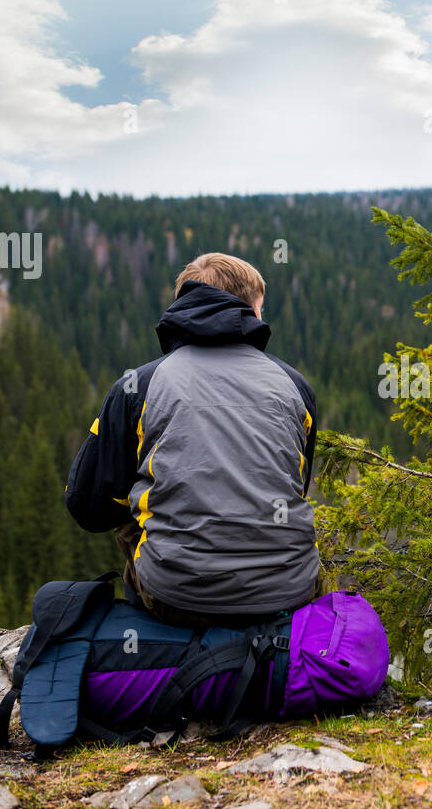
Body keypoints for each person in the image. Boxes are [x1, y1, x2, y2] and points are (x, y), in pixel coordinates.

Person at [64, 253, 319, 629]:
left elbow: (86, 506)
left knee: (134, 512)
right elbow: (296, 483)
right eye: (261, 309)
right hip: (289, 594)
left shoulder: (139, 386)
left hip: (175, 599)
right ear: (248, 307)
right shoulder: (295, 385)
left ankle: (161, 648)